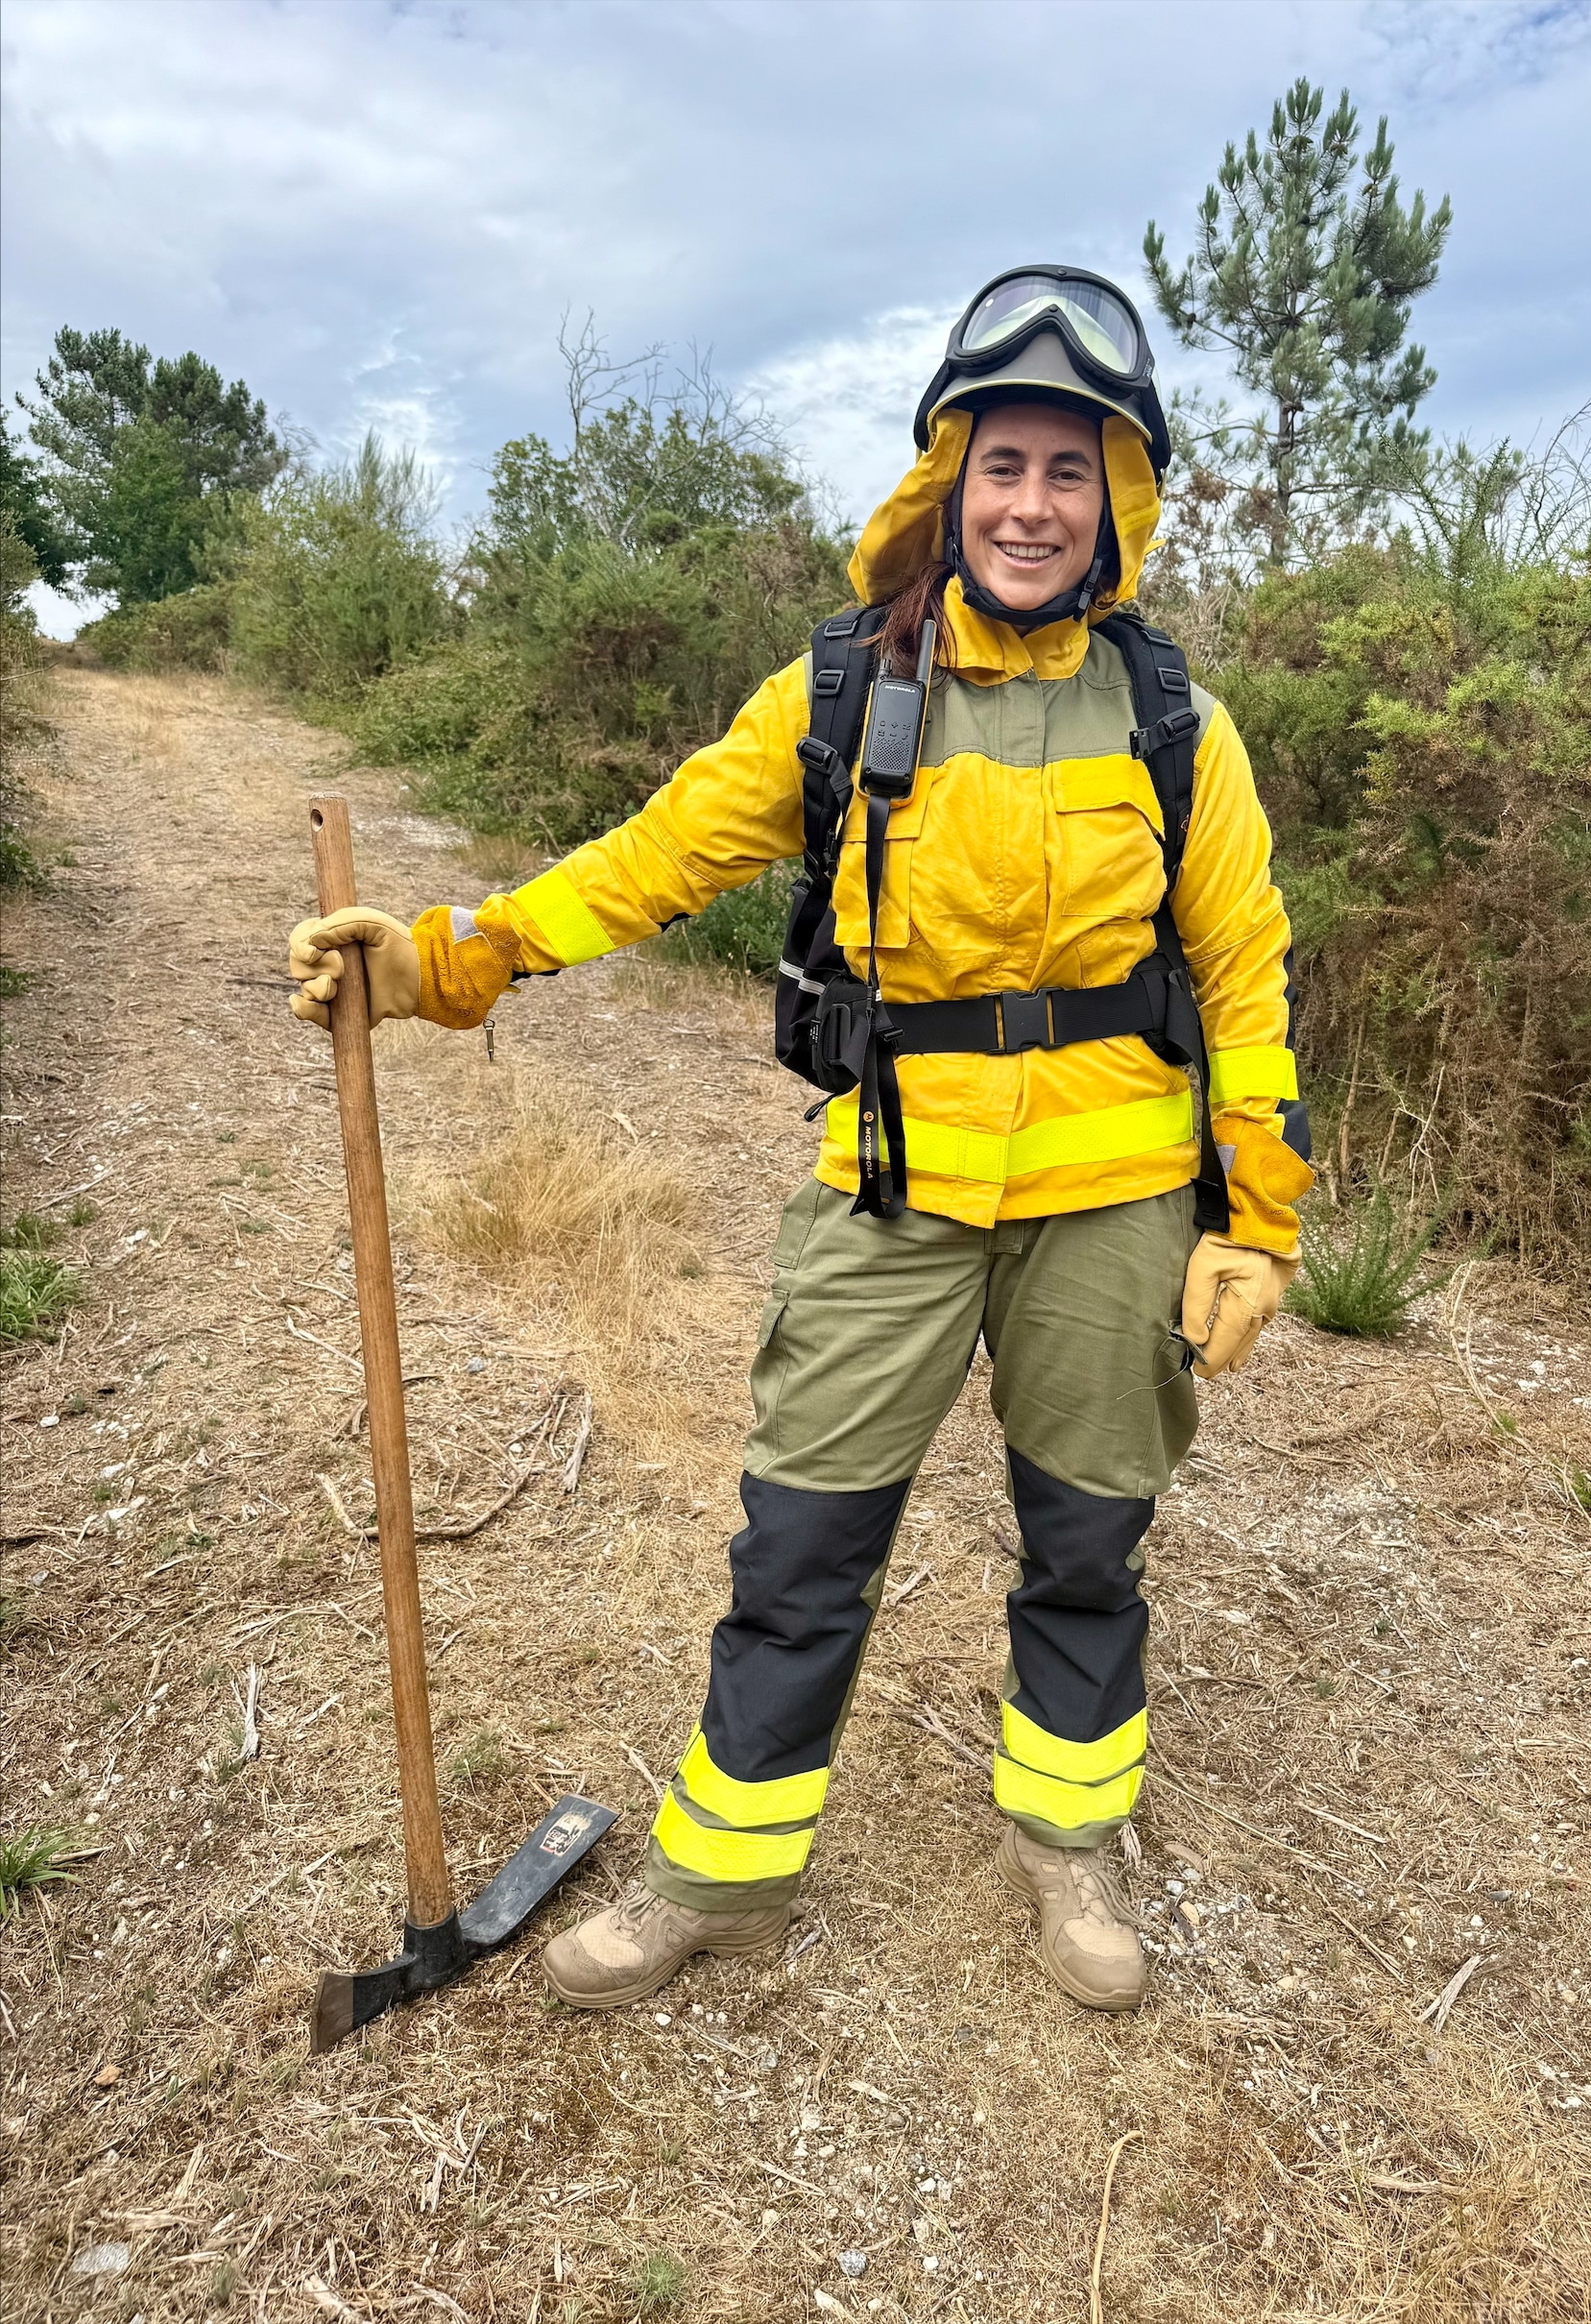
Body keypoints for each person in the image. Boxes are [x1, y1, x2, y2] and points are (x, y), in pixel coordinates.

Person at [287, 267, 1313, 2014]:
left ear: (1117, 502)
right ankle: (723, 1879)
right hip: (893, 1190)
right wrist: (453, 959)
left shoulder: (1173, 724)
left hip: (1120, 1207)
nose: (1033, 506)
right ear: (948, 478)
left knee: (1087, 1546)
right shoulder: (840, 692)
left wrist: (1258, 1220)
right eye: (1006, 465)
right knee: (801, 1551)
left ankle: (1066, 1847)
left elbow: (1245, 965)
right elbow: (651, 858)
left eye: (1074, 471)